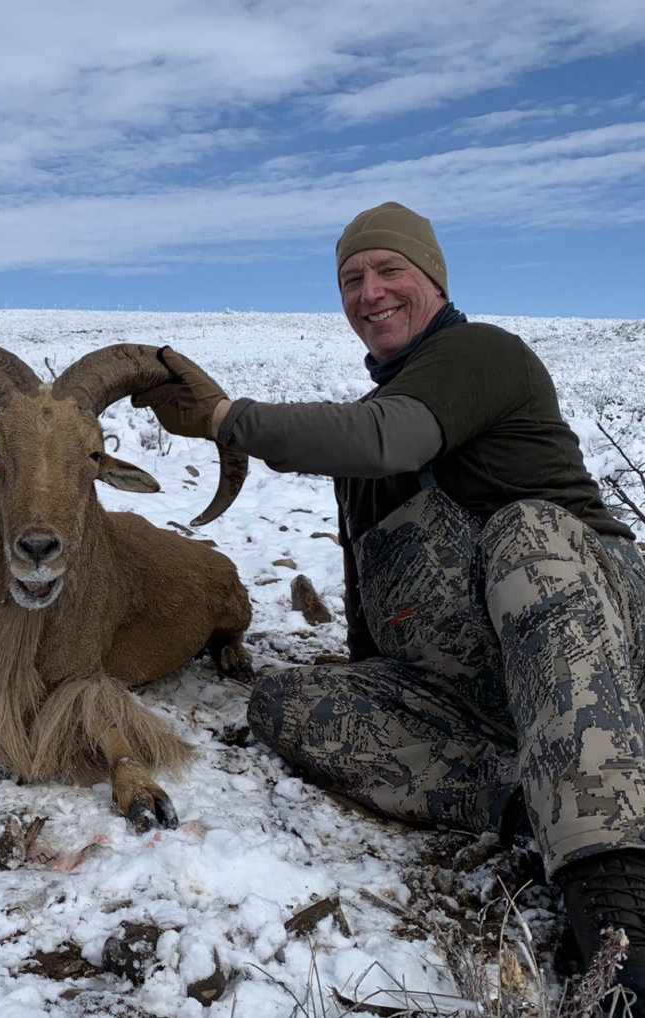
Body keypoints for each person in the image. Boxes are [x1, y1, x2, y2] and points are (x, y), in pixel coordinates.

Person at [131, 202, 645, 1007]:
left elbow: (386, 436)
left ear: (433, 279)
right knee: (290, 699)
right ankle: (525, 801)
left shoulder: (480, 355)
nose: (369, 292)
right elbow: (377, 629)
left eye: (389, 270)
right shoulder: (363, 462)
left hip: (606, 648)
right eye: (351, 279)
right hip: (495, 698)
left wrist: (228, 420)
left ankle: (619, 908)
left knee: (525, 534)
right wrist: (375, 698)